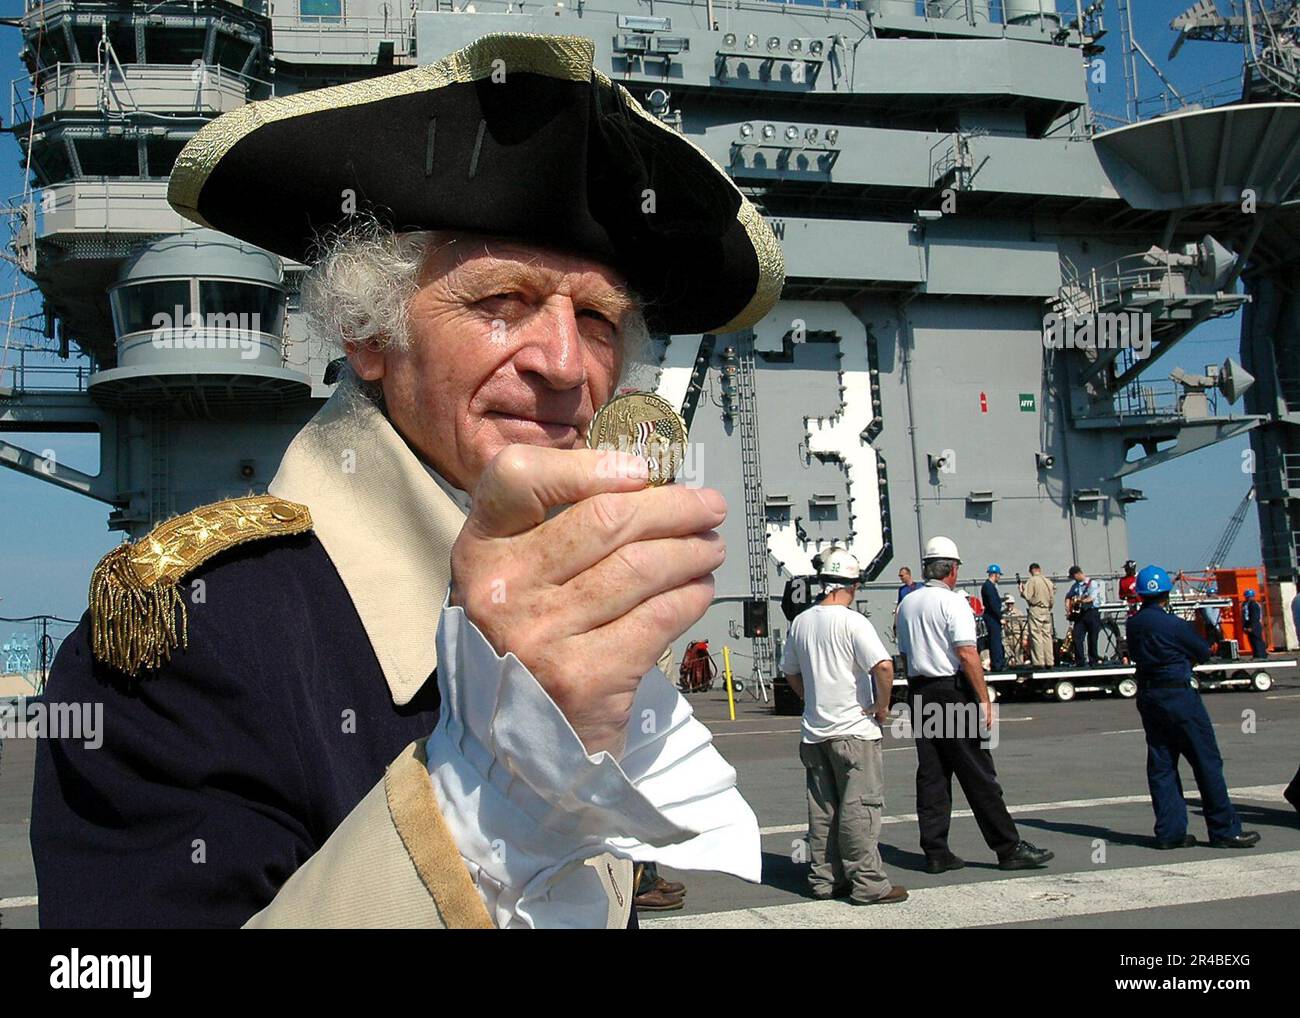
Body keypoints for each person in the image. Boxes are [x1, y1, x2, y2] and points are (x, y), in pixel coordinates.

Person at [30, 33, 782, 929]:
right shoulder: (189, 638)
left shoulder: (588, 595)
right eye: (500, 303)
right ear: (371, 339)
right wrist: (496, 797)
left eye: (598, 318)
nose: (565, 363)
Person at [895, 537, 1053, 874]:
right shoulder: (954, 603)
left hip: (921, 691)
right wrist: (983, 700)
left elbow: (905, 654)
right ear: (952, 569)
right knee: (978, 772)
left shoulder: (908, 603)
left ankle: (936, 851)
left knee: (932, 775)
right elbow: (967, 653)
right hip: (952, 690)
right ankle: (1008, 848)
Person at [781, 548, 907, 906]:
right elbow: (883, 666)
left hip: (815, 733)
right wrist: (881, 707)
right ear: (851, 585)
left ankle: (824, 880)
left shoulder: (802, 621)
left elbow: (790, 671)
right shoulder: (853, 622)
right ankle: (868, 884)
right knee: (860, 808)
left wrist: (810, 699)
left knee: (823, 812)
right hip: (854, 729)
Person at [1125, 566, 1260, 850]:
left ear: (1141, 593)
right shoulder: (1173, 624)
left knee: (1162, 764)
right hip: (1179, 695)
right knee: (1206, 761)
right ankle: (1224, 829)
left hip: (1150, 696)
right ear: (1165, 593)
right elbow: (1201, 651)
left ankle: (1170, 832)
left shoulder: (1134, 624)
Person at [1065, 565, 1103, 665]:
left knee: (1092, 637)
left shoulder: (1092, 583)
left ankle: (1093, 660)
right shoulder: (1075, 586)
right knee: (1077, 636)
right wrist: (1068, 608)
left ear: (1078, 574)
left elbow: (1091, 598)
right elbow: (1068, 596)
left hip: (1092, 612)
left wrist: (1080, 600)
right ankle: (1080, 661)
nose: (1073, 579)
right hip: (1081, 614)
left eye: (1073, 577)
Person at [1020, 563, 1055, 667]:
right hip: (1047, 609)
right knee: (1047, 636)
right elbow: (1052, 599)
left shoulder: (1032, 580)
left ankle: (1039, 662)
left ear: (1031, 571)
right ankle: (1050, 661)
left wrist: (1021, 591)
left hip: (1036, 608)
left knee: (1036, 635)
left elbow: (1027, 595)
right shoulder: (1048, 581)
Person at [981, 564, 1006, 671]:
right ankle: (997, 664)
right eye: (998, 575)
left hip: (992, 616)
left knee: (996, 641)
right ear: (994, 574)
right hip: (992, 618)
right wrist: (1000, 617)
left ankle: (998, 662)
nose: (999, 577)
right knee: (995, 641)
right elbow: (992, 604)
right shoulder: (988, 587)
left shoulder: (990, 587)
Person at [1241, 589, 1268, 659]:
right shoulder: (1246, 604)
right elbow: (1245, 616)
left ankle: (1261, 655)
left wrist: (1251, 627)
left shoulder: (1254, 605)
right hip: (1249, 624)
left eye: (1249, 596)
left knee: (1257, 640)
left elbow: (1255, 617)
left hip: (1255, 625)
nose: (1248, 598)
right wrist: (1245, 626)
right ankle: (1256, 654)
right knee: (1252, 641)